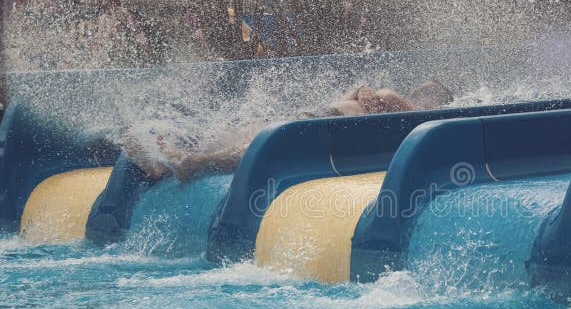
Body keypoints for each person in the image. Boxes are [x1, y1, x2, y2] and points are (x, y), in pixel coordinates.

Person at [125, 81, 454, 182]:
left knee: (250, 141)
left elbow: (366, 91)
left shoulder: (395, 103)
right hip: (320, 120)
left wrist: (363, 93)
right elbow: (367, 92)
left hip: (318, 119)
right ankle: (189, 161)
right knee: (255, 146)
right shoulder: (399, 104)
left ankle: (171, 164)